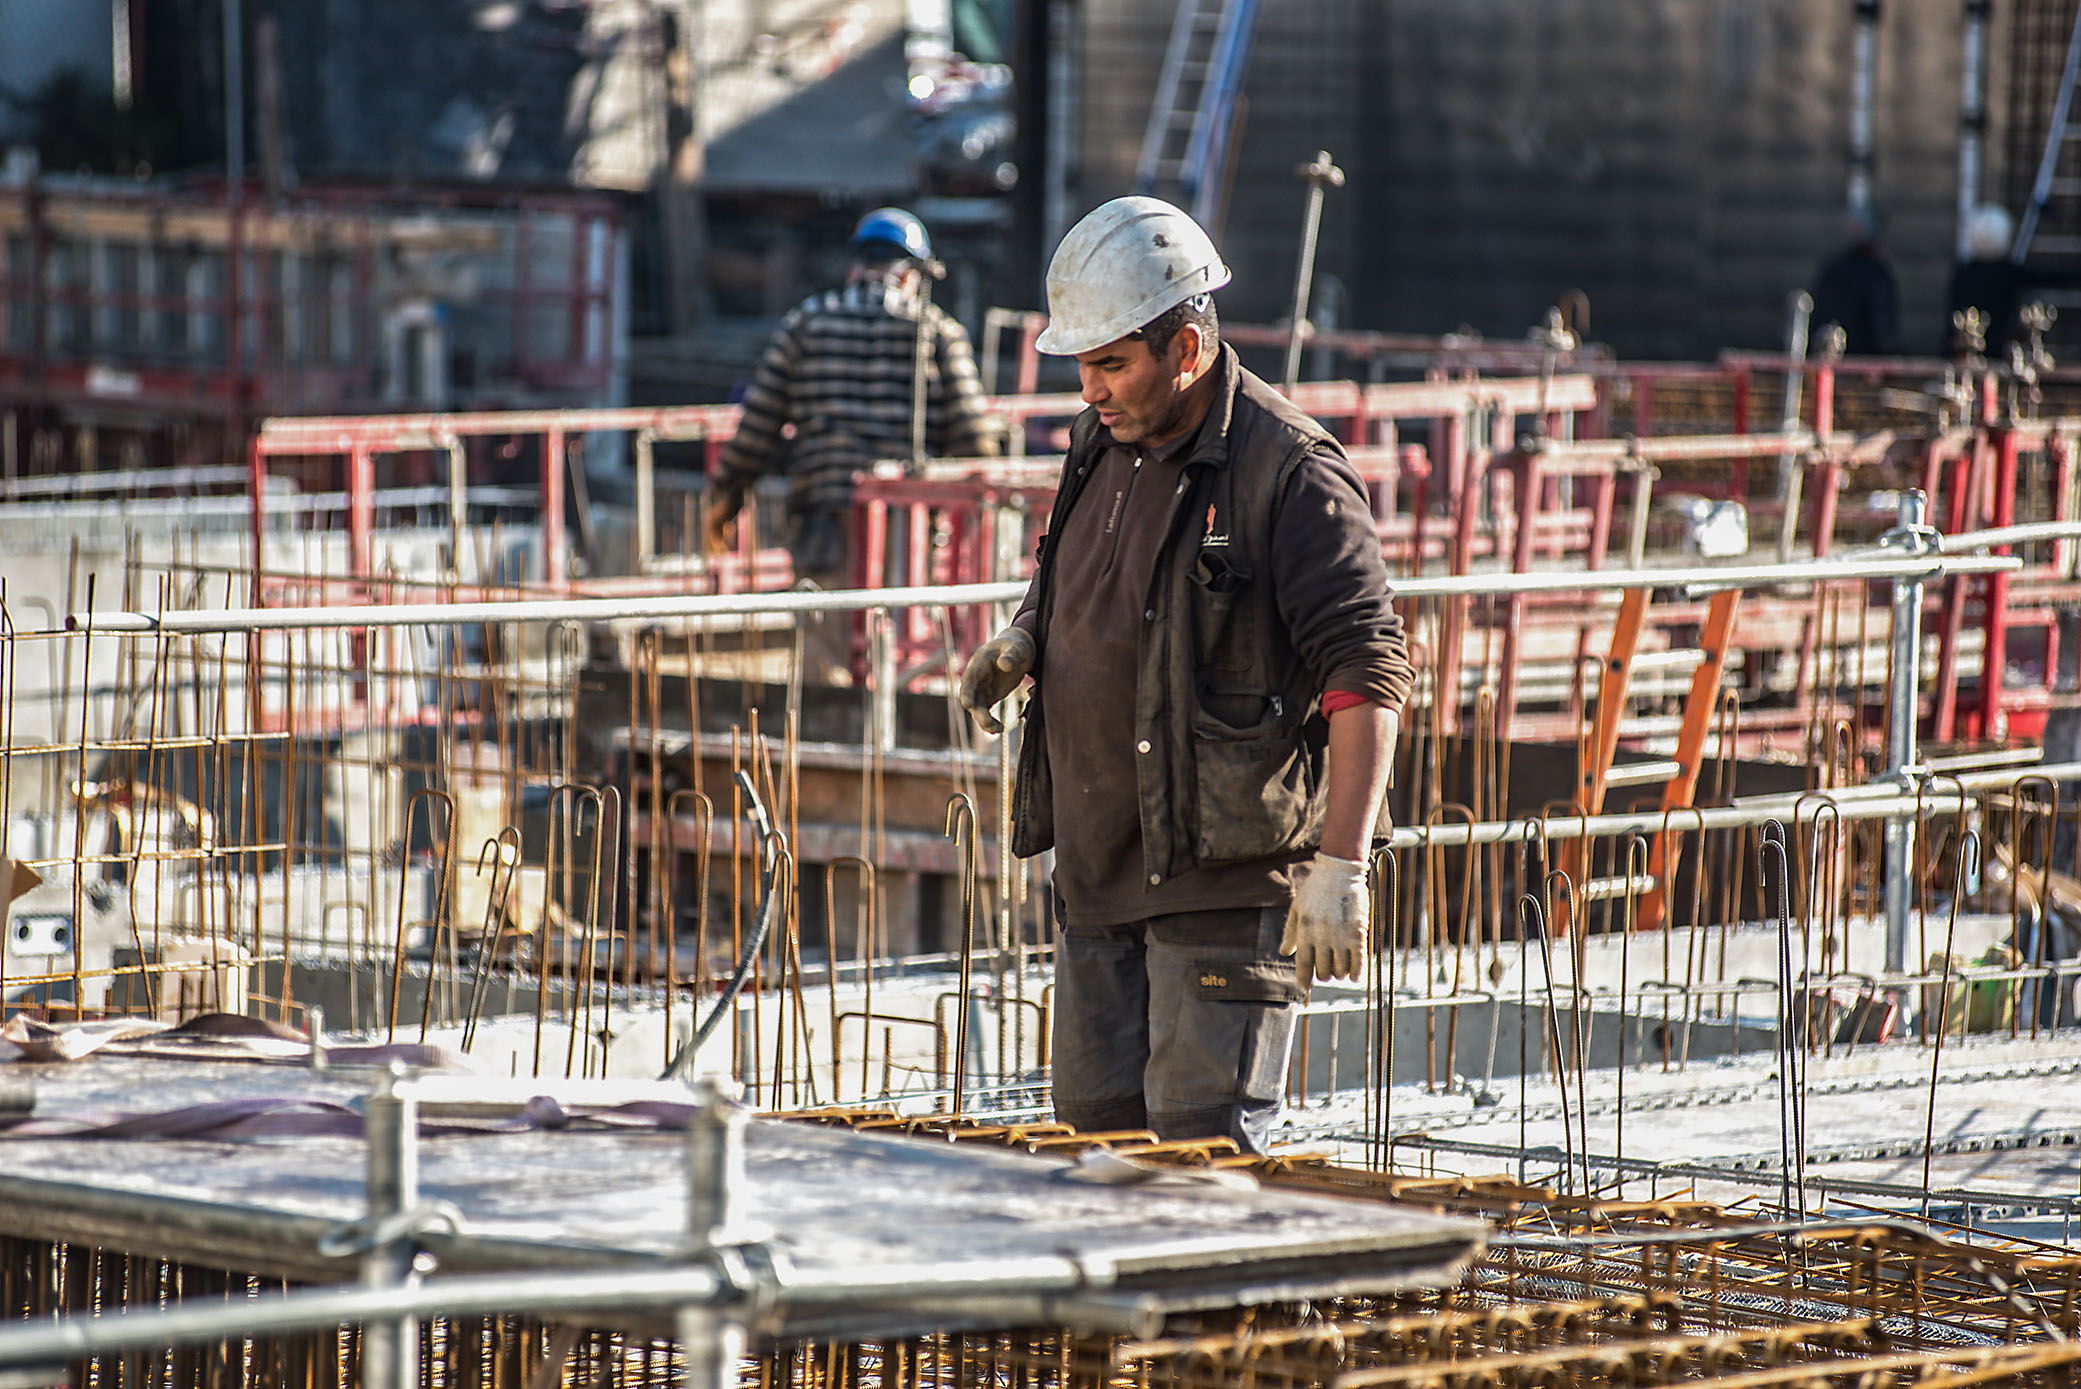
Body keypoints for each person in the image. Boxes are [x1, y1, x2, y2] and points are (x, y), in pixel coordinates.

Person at [957, 196, 1413, 1154]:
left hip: (1220, 883)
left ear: (1188, 351)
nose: (1090, 390)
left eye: (1112, 364)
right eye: (1082, 366)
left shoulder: (1287, 471)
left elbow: (1364, 667)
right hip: (1098, 869)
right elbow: (1091, 573)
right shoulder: (1102, 439)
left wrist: (1341, 864)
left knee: (1200, 1157)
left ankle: (1223, 1316)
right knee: (1096, 1146)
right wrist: (1026, 634)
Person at [705, 207, 998, 678]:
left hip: (822, 514)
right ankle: (892, 730)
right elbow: (973, 434)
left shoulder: (807, 323)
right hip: (906, 520)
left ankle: (826, 736)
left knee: (826, 650)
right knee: (900, 643)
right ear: (913, 276)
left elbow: (758, 424)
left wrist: (727, 496)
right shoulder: (937, 330)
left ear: (854, 267)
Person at [1943, 202, 2077, 360]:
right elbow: (2048, 277)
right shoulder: (2006, 272)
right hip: (1994, 350)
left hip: (1965, 352)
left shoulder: (1964, 272)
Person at [1808, 203, 1898, 356]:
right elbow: (1883, 328)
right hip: (1863, 365)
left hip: (1829, 361)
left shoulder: (1832, 270)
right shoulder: (1876, 274)